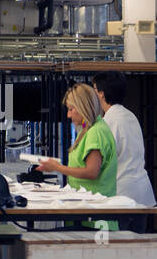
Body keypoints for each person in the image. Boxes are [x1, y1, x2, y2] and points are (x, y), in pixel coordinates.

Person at [38, 83, 118, 232]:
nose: (68, 115)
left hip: (95, 219)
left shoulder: (96, 132)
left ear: (83, 106)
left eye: (71, 109)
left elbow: (91, 172)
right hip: (85, 213)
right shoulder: (87, 131)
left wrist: (57, 168)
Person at [93, 73, 156, 233]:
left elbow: (99, 164)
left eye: (94, 89)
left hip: (120, 196)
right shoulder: (131, 116)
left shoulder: (108, 123)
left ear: (101, 93)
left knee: (114, 251)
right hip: (141, 195)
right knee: (136, 250)